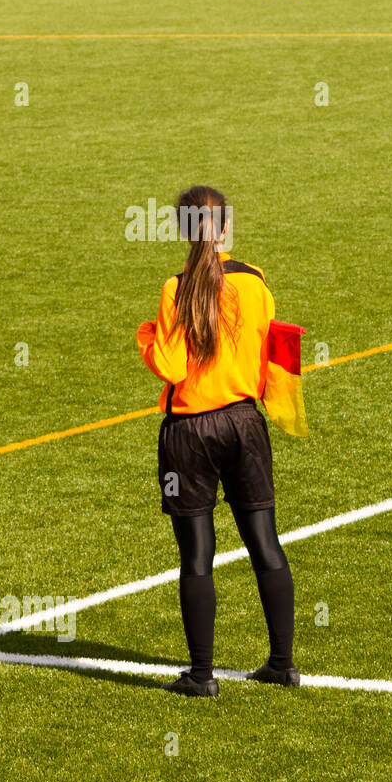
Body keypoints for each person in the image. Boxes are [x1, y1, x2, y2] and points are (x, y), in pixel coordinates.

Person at [137, 186, 299, 697]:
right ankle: (282, 664)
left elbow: (171, 365)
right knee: (264, 542)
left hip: (191, 433)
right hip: (245, 425)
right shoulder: (256, 283)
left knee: (197, 556)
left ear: (182, 232)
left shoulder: (176, 288)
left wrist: (145, 337)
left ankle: (202, 676)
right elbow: (276, 349)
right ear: (226, 227)